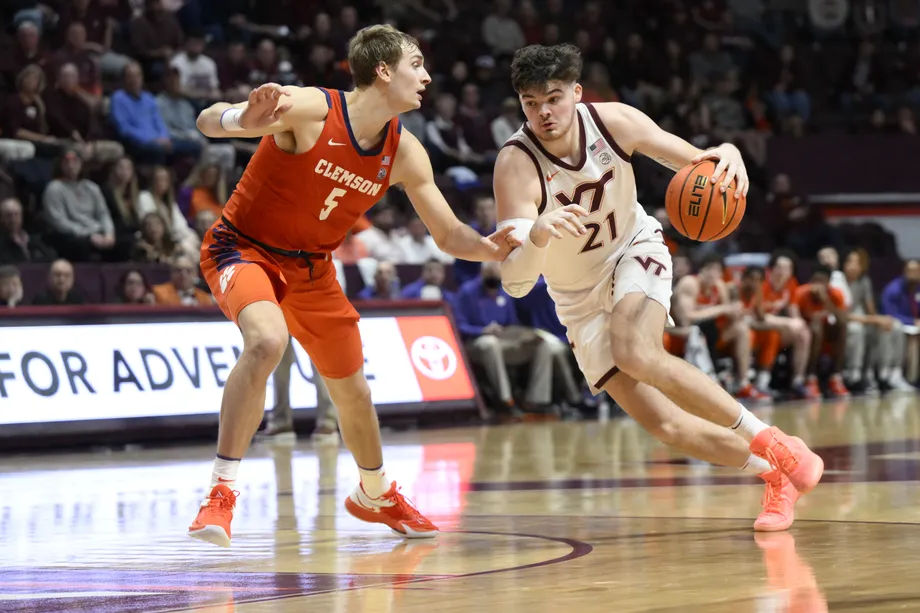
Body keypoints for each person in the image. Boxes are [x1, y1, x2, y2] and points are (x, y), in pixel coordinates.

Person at [189, 24, 517, 546]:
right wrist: (241, 119)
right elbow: (206, 121)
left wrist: (491, 245)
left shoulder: (406, 152)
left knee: (354, 392)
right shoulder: (313, 109)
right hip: (244, 248)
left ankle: (375, 492)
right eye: (416, 64)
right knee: (268, 341)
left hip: (314, 270)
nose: (427, 76)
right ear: (383, 70)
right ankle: (221, 493)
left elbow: (450, 233)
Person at [494, 44, 823, 532]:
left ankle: (775, 440)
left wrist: (727, 153)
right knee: (665, 425)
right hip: (576, 299)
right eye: (530, 101)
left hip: (632, 248)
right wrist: (538, 235)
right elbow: (518, 283)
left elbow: (700, 164)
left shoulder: (614, 122)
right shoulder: (515, 165)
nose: (543, 112)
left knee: (636, 351)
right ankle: (775, 474)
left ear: (577, 93)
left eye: (554, 98)